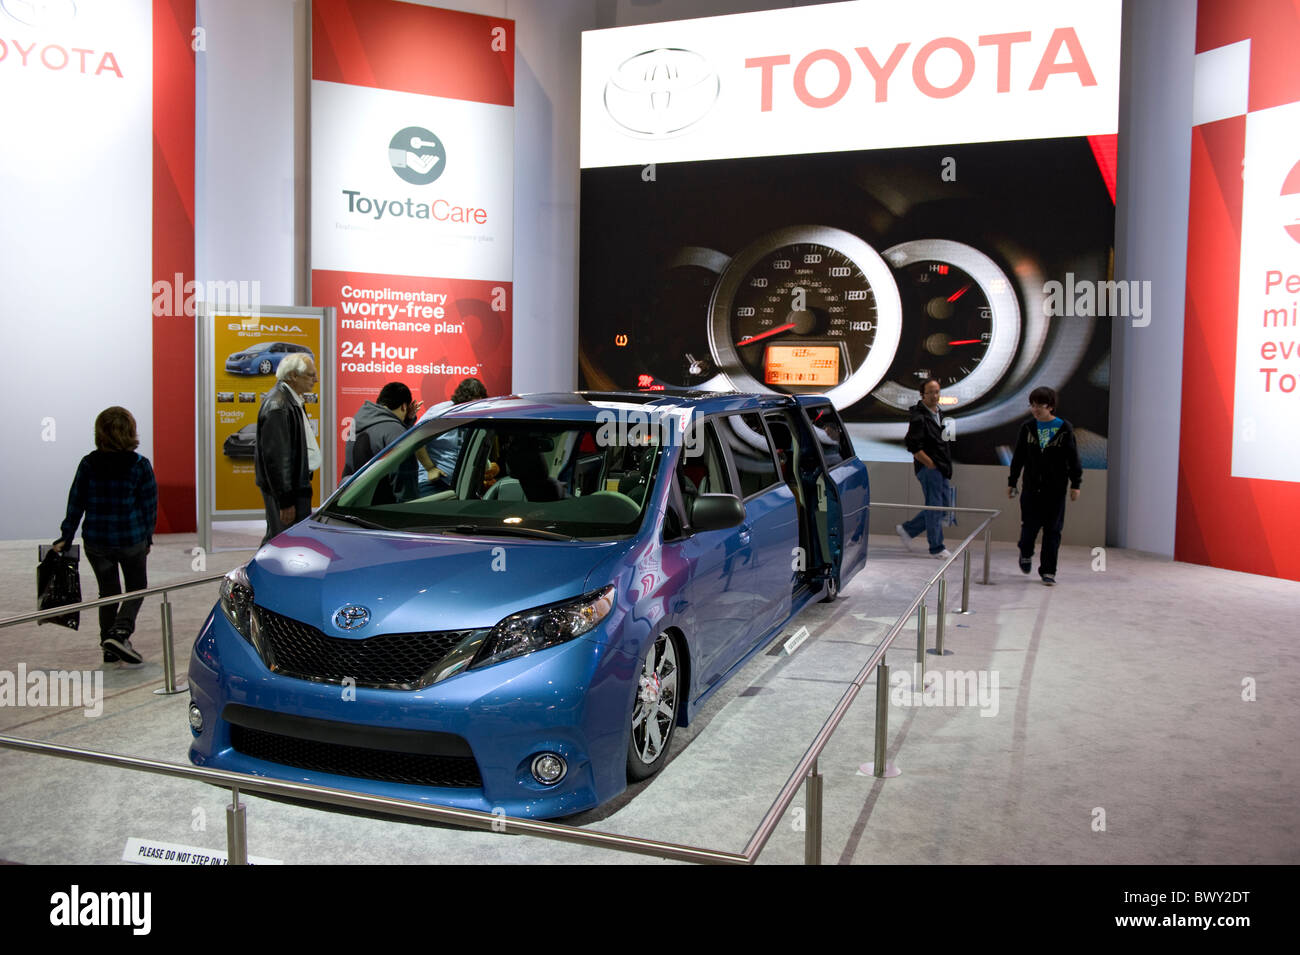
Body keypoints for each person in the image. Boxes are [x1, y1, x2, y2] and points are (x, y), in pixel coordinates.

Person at [53, 407, 157, 666]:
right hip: (131, 539)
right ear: (130, 431)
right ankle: (120, 632)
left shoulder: (89, 464)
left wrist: (66, 535)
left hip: (97, 541)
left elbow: (76, 502)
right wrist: (147, 538)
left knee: (108, 593)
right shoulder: (140, 465)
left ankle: (109, 649)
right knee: (136, 588)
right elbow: (149, 506)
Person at [1007, 385, 1082, 586]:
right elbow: (1019, 457)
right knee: (1029, 528)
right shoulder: (1027, 428)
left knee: (1053, 531)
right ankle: (1025, 552)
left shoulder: (1064, 428)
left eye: (1039, 405)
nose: (1035, 409)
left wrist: (1076, 484)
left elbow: (1073, 458)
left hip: (1055, 490)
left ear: (1050, 406)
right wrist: (1012, 481)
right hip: (1031, 488)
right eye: (1032, 405)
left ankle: (1048, 571)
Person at [255, 352, 320, 545]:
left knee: (283, 539)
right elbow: (277, 458)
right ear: (293, 376)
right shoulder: (279, 405)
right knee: (285, 542)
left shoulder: (289, 400)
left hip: (295, 486)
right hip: (290, 490)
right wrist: (286, 501)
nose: (316, 380)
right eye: (311, 375)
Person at [896, 378, 953, 559]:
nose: (935, 396)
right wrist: (929, 463)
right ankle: (937, 547)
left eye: (937, 392)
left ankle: (908, 530)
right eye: (930, 392)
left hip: (942, 467)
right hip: (930, 469)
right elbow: (912, 445)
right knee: (935, 507)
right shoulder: (919, 417)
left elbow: (947, 441)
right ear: (922, 395)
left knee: (943, 507)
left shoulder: (941, 414)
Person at [416, 377, 490, 494]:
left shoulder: (479, 414)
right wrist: (430, 468)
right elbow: (417, 440)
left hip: (463, 485)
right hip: (434, 482)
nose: (473, 409)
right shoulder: (440, 412)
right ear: (461, 401)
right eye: (470, 405)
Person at [343, 381, 422, 476]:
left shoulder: (359, 421)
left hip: (354, 484)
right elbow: (405, 472)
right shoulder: (394, 429)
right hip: (380, 485)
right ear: (404, 406)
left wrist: (407, 420)